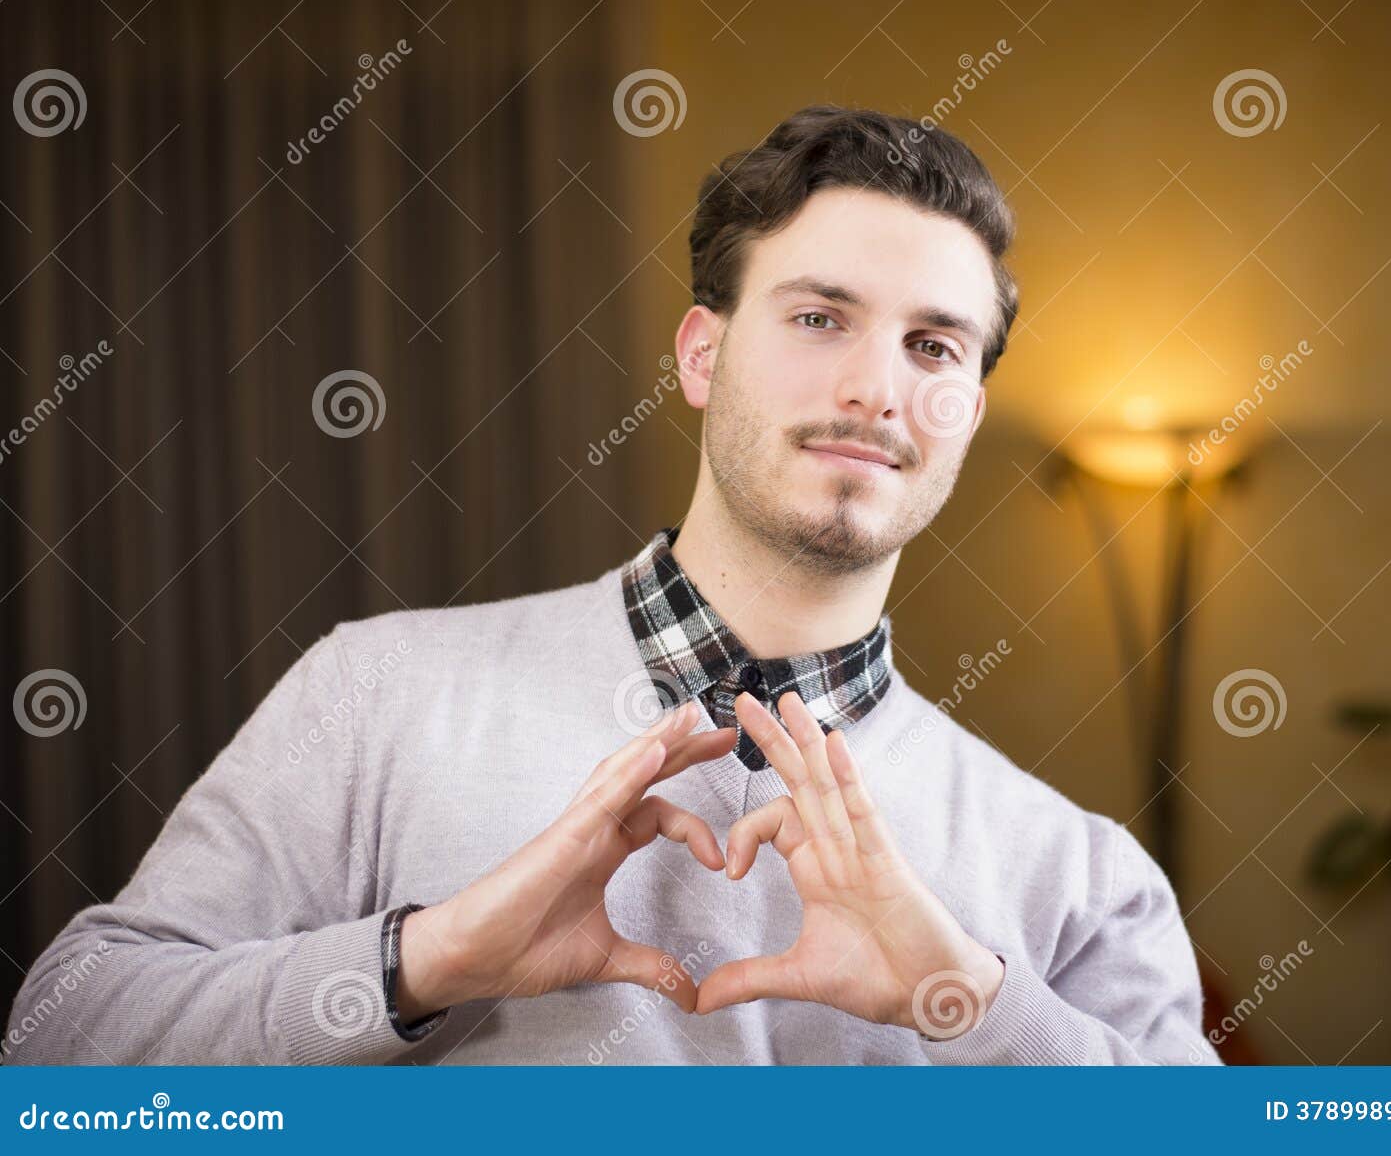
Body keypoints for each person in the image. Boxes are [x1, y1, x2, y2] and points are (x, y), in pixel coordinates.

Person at [5, 104, 1221, 1066]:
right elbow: (57, 1043)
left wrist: (974, 1007)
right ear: (701, 355)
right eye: (817, 318)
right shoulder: (374, 692)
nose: (877, 389)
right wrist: (421, 960)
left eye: (932, 345)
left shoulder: (1082, 872)